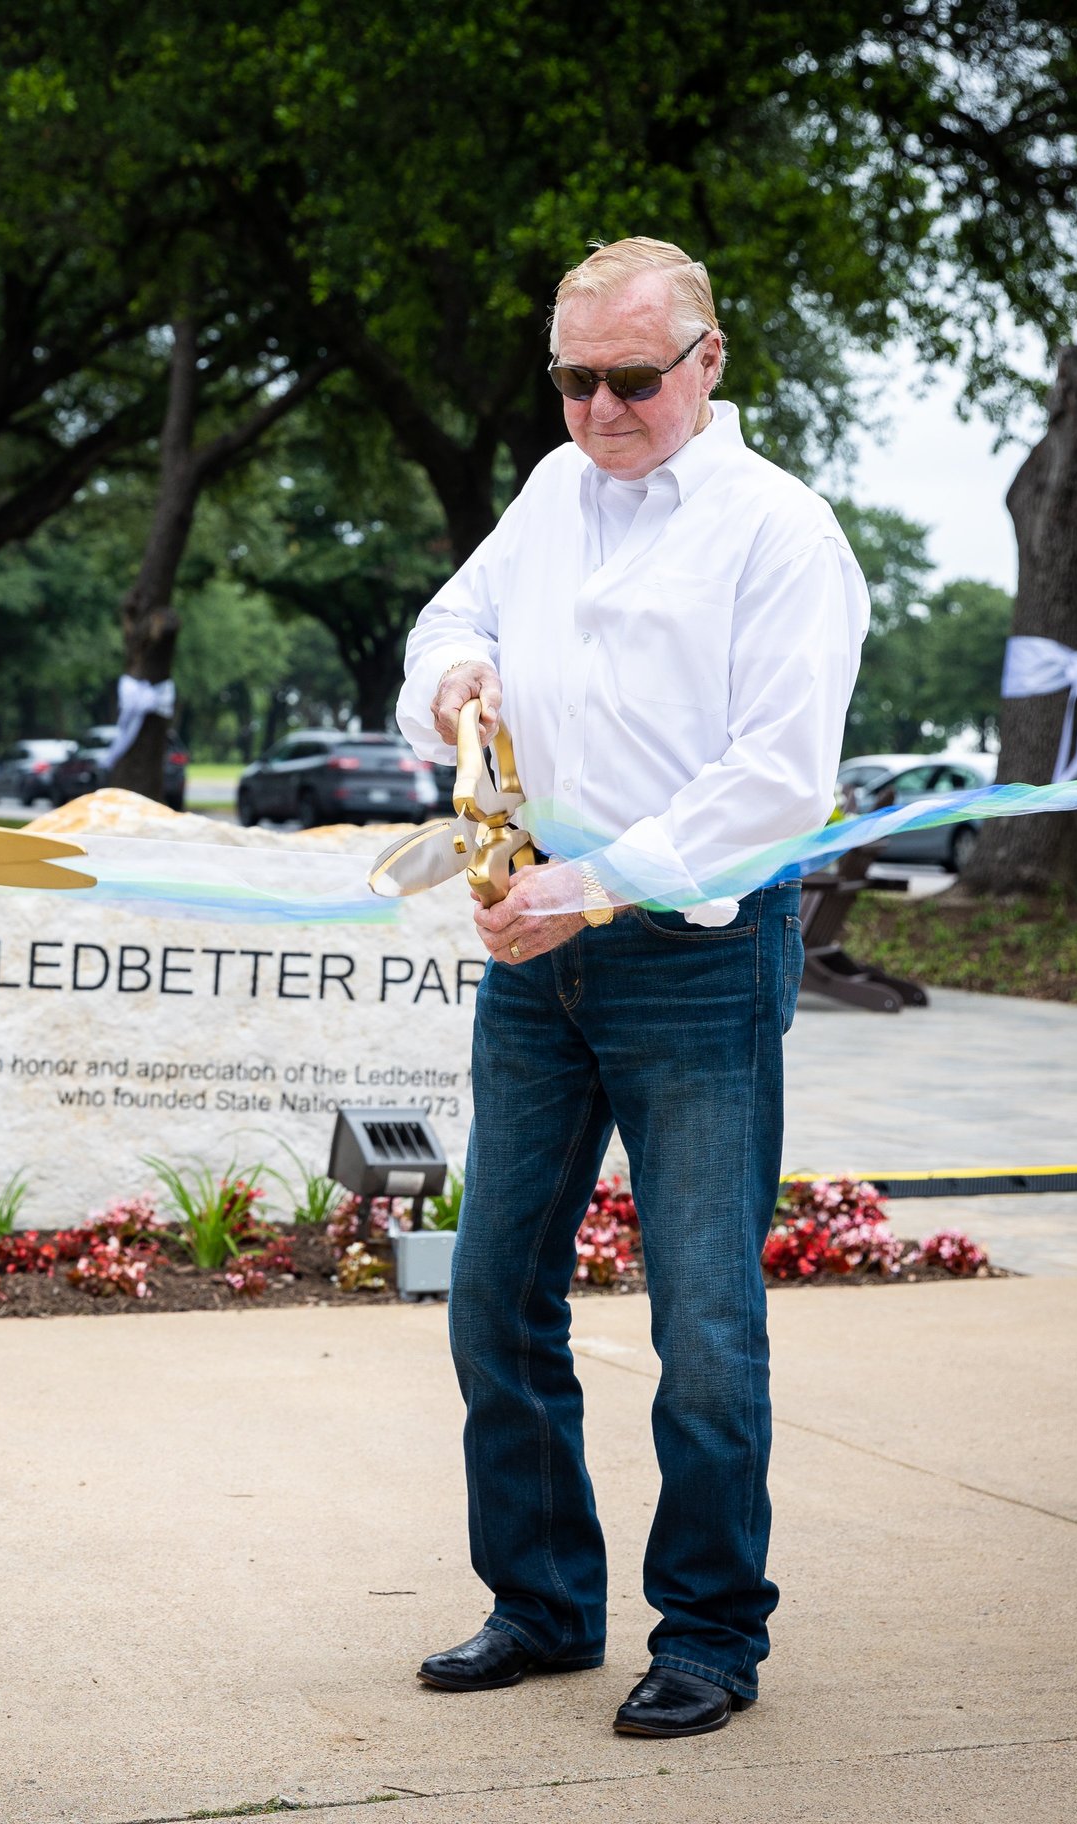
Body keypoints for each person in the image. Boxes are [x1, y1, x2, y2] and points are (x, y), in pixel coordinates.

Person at [396, 238, 868, 1739]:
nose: (599, 410)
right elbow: (448, 621)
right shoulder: (551, 494)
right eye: (574, 380)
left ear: (709, 362)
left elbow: (780, 784)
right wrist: (454, 683)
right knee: (493, 1300)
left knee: (708, 1328)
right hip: (543, 953)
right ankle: (541, 1608)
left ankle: (713, 1636)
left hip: (697, 952)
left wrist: (595, 883)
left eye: (632, 380)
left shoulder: (783, 535)